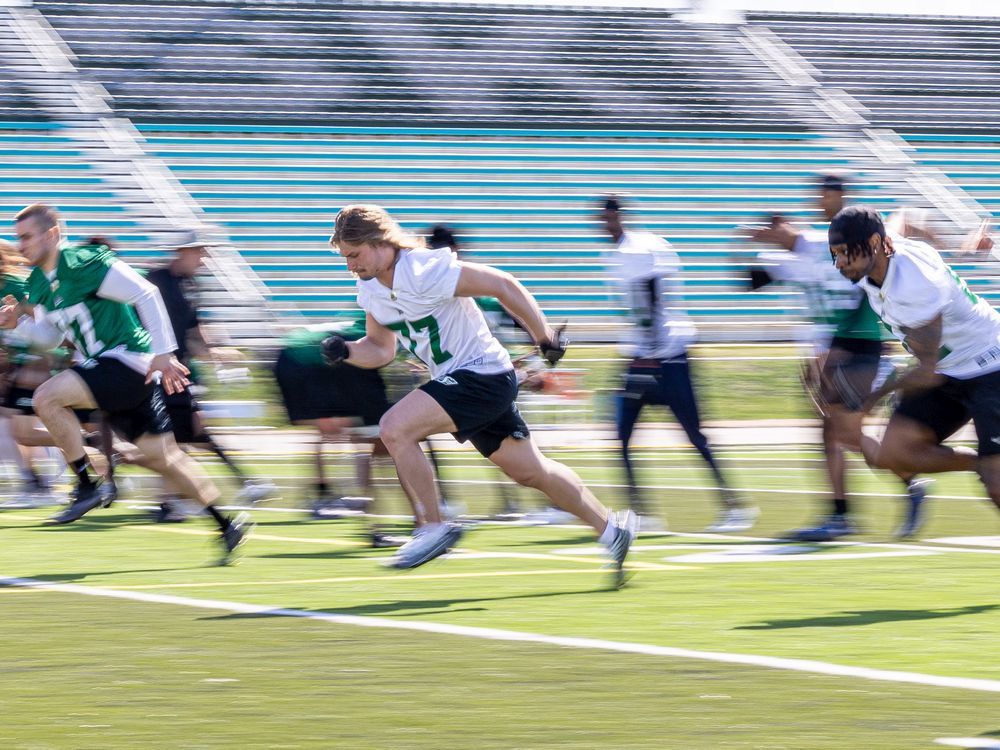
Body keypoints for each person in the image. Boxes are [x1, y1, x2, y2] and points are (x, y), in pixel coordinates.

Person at [325, 204, 636, 584]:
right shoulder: (371, 288)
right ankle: (611, 531)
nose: (350, 265)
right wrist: (347, 351)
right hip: (470, 381)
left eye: (354, 255)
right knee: (531, 471)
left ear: (377, 242)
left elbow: (501, 283)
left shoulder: (423, 268)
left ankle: (433, 527)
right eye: (345, 258)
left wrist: (544, 336)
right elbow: (381, 349)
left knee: (394, 428)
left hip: (482, 374)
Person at [0, 203, 251, 563]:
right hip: (117, 369)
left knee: (46, 398)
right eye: (17, 237)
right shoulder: (40, 281)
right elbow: (51, 339)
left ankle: (87, 485)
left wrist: (165, 351)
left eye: (26, 236)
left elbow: (146, 293)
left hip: (125, 361)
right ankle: (227, 522)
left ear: (51, 234)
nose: (19, 245)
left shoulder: (84, 261)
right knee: (163, 457)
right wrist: (17, 326)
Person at [748, 210, 929, 540]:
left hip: (858, 351)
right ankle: (848, 510)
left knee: (841, 433)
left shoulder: (852, 255)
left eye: (843, 254)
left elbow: (904, 218)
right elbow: (750, 279)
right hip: (842, 349)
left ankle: (903, 482)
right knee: (835, 434)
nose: (840, 262)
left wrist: (825, 362)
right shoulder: (823, 257)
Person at [830, 205, 1000, 515]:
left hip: (989, 365)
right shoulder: (883, 247)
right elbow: (907, 216)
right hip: (951, 369)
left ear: (872, 245)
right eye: (835, 253)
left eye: (844, 252)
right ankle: (983, 464)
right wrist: (957, 246)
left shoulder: (913, 286)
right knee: (895, 453)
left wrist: (867, 403)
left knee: (997, 488)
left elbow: (926, 372)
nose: (839, 262)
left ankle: (991, 468)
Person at [600, 196, 756, 533]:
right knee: (622, 435)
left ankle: (735, 507)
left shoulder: (638, 249)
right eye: (601, 217)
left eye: (609, 216)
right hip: (644, 356)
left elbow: (653, 297)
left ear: (620, 216)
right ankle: (641, 513)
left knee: (694, 435)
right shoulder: (616, 253)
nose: (604, 223)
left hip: (666, 357)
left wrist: (651, 353)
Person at [144, 228, 274, 521]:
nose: (204, 258)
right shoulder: (156, 280)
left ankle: (170, 500)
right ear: (182, 252)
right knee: (181, 435)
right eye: (199, 251)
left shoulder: (191, 285)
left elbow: (194, 328)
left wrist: (217, 351)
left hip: (178, 371)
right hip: (158, 371)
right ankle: (234, 485)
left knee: (183, 434)